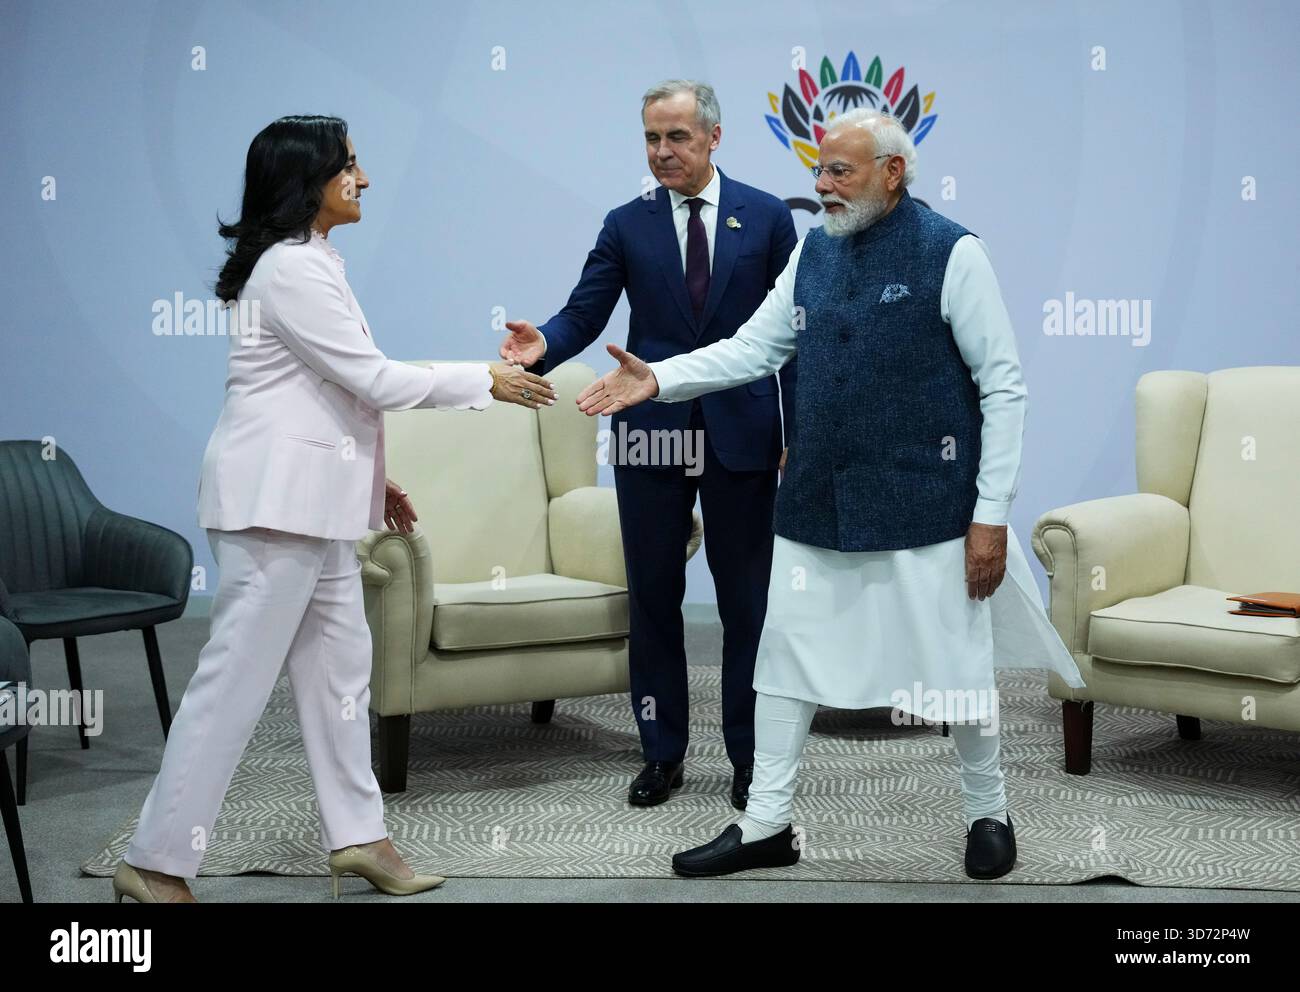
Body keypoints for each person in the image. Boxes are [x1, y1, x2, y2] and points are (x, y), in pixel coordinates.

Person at [574, 108, 1086, 880]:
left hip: (927, 506)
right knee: (785, 665)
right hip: (815, 504)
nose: (822, 186)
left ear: (892, 172)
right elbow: (755, 347)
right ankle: (765, 825)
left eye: (840, 171)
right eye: (818, 171)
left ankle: (988, 810)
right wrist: (659, 378)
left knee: (956, 671)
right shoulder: (815, 247)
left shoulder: (954, 251)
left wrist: (989, 515)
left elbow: (1003, 390)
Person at [112, 115, 555, 903]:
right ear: (305, 179)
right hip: (274, 506)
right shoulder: (290, 269)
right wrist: (481, 380)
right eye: (349, 165)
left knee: (340, 677)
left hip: (311, 505)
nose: (365, 178)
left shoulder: (312, 260)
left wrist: (372, 479)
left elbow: (325, 395)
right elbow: (373, 379)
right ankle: (154, 860)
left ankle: (360, 839)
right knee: (232, 690)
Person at [498, 80, 797, 810]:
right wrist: (542, 346)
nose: (663, 152)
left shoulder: (767, 218)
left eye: (678, 138)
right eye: (651, 139)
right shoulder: (625, 223)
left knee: (747, 605)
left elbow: (796, 337)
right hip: (651, 435)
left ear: (714, 138)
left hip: (743, 434)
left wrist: (799, 433)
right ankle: (661, 753)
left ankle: (750, 760)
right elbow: (583, 312)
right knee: (655, 600)